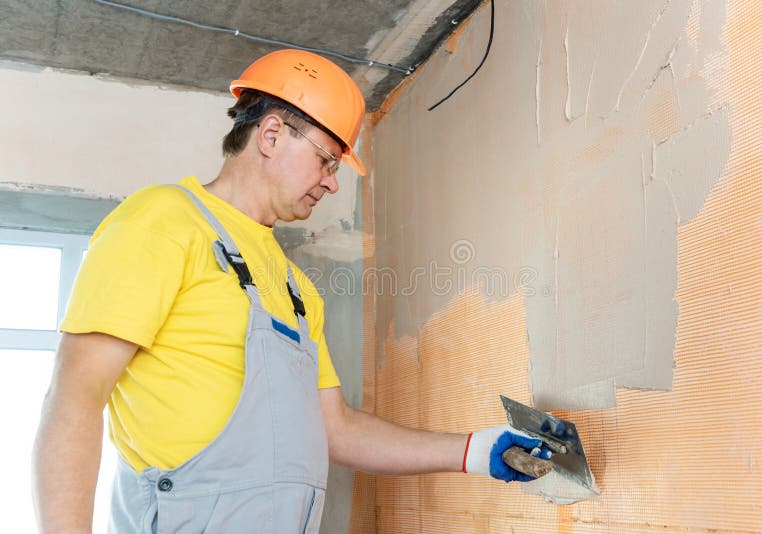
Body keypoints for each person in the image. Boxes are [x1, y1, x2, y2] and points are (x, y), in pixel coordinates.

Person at [32, 49, 550, 534]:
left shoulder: (294, 286)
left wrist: (474, 451)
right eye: (327, 160)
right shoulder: (165, 220)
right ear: (272, 133)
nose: (331, 183)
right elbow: (76, 394)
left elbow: (338, 428)